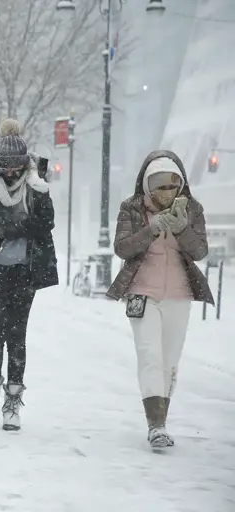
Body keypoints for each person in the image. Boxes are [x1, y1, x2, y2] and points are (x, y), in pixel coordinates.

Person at [106, 150, 213, 449]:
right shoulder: (132, 208)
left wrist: (181, 229)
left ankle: (161, 418)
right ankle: (157, 425)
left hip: (180, 295)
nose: (166, 191)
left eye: (172, 184)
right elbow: (123, 248)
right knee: (150, 355)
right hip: (142, 292)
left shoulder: (192, 209)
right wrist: (151, 228)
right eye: (159, 184)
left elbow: (200, 251)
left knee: (169, 362)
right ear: (146, 184)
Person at [0, 119, 58, 431]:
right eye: (4, 167)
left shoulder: (37, 184)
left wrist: (4, 225)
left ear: (24, 163)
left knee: (17, 336)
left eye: (15, 167)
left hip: (25, 271)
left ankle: (12, 403)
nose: (9, 173)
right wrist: (4, 223)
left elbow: (46, 221)